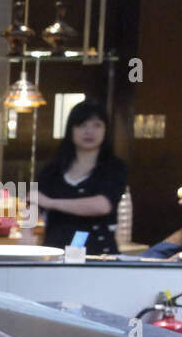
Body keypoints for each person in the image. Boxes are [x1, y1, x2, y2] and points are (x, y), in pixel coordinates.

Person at [35, 100, 127, 256]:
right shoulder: (53, 168)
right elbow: (34, 200)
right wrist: (26, 231)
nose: (89, 131)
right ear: (71, 130)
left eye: (97, 125)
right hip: (56, 251)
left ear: (106, 131)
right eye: (82, 125)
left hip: (98, 254)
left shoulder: (115, 167)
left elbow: (102, 205)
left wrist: (51, 203)